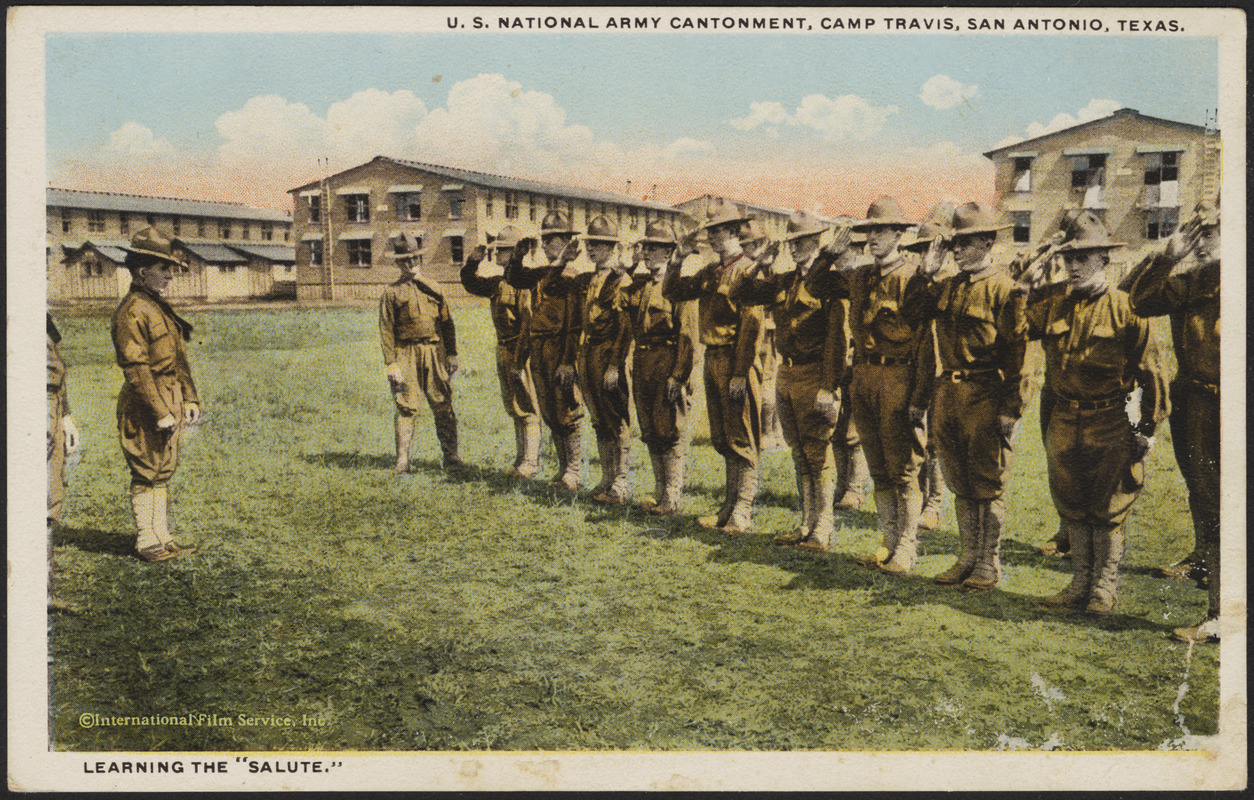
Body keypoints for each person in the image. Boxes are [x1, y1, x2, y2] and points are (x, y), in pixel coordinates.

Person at [1023, 212, 1168, 614]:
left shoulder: (1127, 307)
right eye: (1068, 257)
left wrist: (1147, 428)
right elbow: (1016, 328)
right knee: (1072, 504)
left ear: (1104, 258)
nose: (1073, 265)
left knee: (1109, 508)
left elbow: (1152, 372)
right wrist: (1026, 284)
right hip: (1065, 418)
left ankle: (1104, 588)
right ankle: (1079, 584)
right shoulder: (1053, 303)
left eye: (1083, 257)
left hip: (1111, 420)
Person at [905, 202, 1029, 591]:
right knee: (959, 480)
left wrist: (1012, 407)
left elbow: (1021, 354)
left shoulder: (1006, 290)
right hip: (948, 394)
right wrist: (926, 271)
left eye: (965, 243)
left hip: (986, 393)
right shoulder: (947, 286)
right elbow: (911, 313)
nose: (956, 250)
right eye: (953, 243)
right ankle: (967, 558)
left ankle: (988, 564)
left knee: (987, 482)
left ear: (988, 243)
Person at [1126, 199, 1221, 642]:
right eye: (1195, 234)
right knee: (1207, 498)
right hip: (1196, 402)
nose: (1200, 243)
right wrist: (1167, 258)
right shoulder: (1194, 279)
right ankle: (1216, 602)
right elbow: (1140, 302)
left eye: (1210, 233)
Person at [733, 213, 849, 551]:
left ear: (816, 243)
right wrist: (759, 264)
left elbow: (837, 338)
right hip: (787, 374)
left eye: (803, 242)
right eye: (792, 243)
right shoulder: (784, 281)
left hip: (815, 374)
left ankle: (823, 527)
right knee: (799, 453)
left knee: (818, 452)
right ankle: (806, 524)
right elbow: (740, 292)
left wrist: (829, 386)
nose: (796, 248)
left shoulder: (830, 282)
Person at [838, 196, 932, 574]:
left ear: (898, 235)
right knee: (877, 468)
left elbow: (925, 344)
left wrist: (919, 398)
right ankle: (888, 543)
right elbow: (821, 281)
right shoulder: (861, 276)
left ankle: (906, 547)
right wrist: (831, 254)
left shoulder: (912, 278)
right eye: (869, 231)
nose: (873, 238)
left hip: (899, 377)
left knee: (903, 469)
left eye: (881, 231)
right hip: (864, 376)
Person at [664, 201, 766, 535]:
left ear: (735, 231)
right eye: (710, 232)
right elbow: (673, 291)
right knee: (723, 437)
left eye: (719, 231)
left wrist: (741, 372)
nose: (712, 237)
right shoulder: (711, 271)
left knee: (743, 435)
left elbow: (751, 325)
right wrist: (677, 259)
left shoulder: (749, 270)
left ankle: (743, 510)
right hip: (714, 358)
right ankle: (728, 508)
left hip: (738, 358)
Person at [111, 227, 201, 563]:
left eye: (171, 269)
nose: (170, 275)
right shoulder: (132, 310)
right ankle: (147, 541)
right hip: (146, 400)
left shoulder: (157, 307)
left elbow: (178, 359)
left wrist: (189, 398)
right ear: (141, 271)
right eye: (163, 268)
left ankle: (163, 536)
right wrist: (160, 410)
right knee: (147, 468)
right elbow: (136, 368)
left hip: (170, 393)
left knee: (163, 468)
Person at [614, 219, 699, 515]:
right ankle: (660, 492)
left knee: (671, 429)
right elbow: (620, 298)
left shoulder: (680, 287)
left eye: (654, 248)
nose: (647, 252)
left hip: (668, 362)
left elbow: (688, 336)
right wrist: (629, 266)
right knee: (650, 428)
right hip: (643, 363)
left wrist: (678, 375)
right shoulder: (639, 286)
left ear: (668, 252)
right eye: (646, 247)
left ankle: (672, 496)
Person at [549, 215, 634, 504]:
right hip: (589, 355)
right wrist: (563, 260)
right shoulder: (587, 279)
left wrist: (615, 365)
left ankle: (621, 482)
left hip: (610, 354)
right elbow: (551, 286)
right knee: (599, 419)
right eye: (590, 244)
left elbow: (624, 329)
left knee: (616, 419)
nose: (592, 249)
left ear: (612, 247)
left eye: (598, 244)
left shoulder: (621, 280)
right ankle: (607, 479)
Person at [505, 211, 585, 493]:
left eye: (554, 240)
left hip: (560, 349)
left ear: (567, 242)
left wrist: (568, 361)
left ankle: (574, 472)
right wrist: (517, 255)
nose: (548, 245)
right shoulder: (543, 274)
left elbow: (575, 324)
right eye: (546, 240)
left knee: (567, 411)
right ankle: (563, 471)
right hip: (539, 351)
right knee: (550, 411)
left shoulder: (572, 277)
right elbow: (515, 278)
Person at [460, 226, 542, 479]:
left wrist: (519, 360)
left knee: (528, 405)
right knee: (514, 405)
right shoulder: (499, 282)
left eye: (502, 250)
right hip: (504, 348)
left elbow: (528, 323)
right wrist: (473, 261)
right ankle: (521, 459)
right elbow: (471, 284)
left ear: (514, 252)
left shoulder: (525, 283)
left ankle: (531, 461)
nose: (495, 254)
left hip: (521, 350)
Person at [379, 233, 463, 474]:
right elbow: (386, 330)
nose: (411, 264)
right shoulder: (391, 293)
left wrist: (452, 353)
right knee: (406, 405)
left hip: (435, 351)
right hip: (406, 353)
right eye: (405, 260)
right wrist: (391, 364)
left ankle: (452, 459)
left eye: (414, 258)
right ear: (398, 263)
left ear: (420, 259)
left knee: (443, 403)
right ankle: (402, 462)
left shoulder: (435, 288)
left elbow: (447, 323)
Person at [900, 206, 957, 531]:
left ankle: (934, 504)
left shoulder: (949, 284)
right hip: (914, 369)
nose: (927, 256)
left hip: (940, 374)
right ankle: (920, 498)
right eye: (922, 250)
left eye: (933, 249)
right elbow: (909, 315)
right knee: (916, 437)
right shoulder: (919, 283)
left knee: (935, 442)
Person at [829, 229, 870, 512]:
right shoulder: (835, 282)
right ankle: (841, 485)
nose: (841, 259)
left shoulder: (865, 280)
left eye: (846, 252)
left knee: (855, 430)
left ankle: (855, 489)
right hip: (836, 360)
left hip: (858, 361)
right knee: (836, 427)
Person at [740, 218, 786, 453]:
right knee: (761, 384)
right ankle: (765, 431)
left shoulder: (769, 268)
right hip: (752, 332)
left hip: (768, 334)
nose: (746, 250)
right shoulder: (748, 269)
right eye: (745, 246)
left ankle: (772, 431)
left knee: (770, 382)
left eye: (749, 245)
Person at [48, 313, 81, 610]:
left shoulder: (42, 320)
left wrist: (65, 416)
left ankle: (43, 593)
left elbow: (56, 373)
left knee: (48, 503)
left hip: (52, 411)